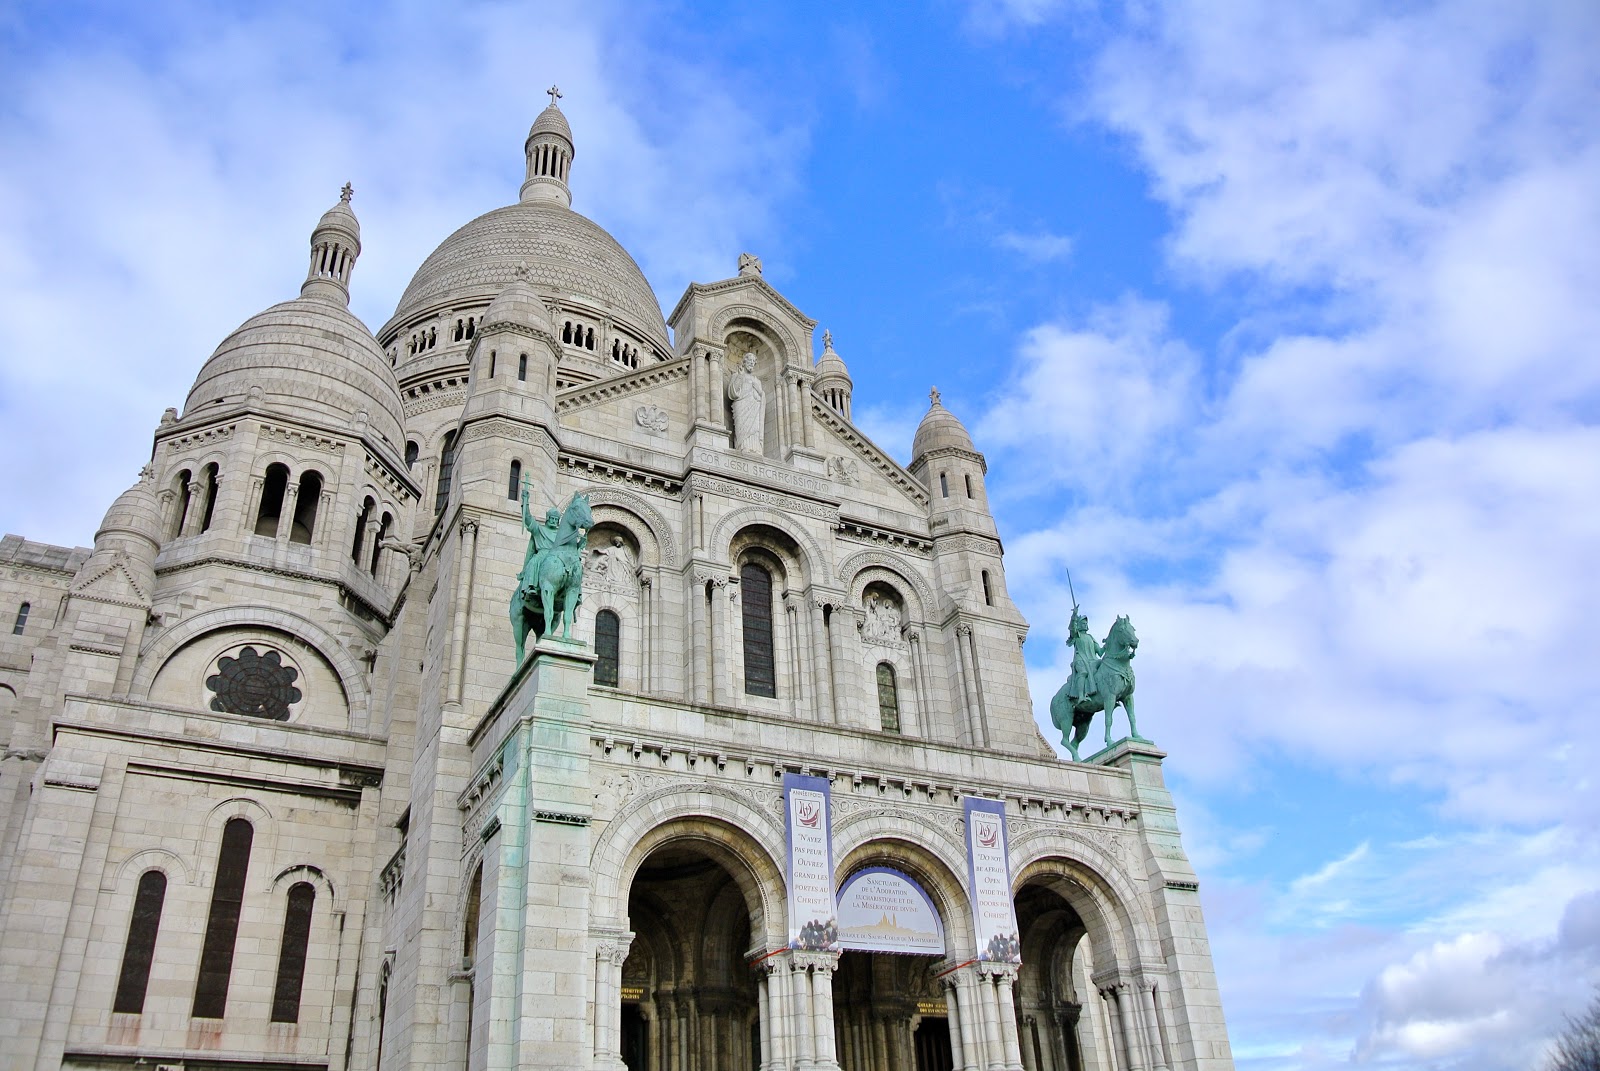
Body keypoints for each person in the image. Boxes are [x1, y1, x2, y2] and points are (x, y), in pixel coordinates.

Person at [727, 352, 765, 452]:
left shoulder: (757, 381)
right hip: (741, 407)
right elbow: (733, 393)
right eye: (750, 360)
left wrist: (760, 392)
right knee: (741, 430)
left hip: (754, 409)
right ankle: (742, 447)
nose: (752, 363)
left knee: (754, 430)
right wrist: (740, 376)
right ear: (744, 362)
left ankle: (755, 449)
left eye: (753, 361)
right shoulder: (737, 375)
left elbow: (761, 398)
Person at [1066, 606, 1102, 706]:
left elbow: (1100, 652)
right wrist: (1074, 615)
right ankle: (1081, 696)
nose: (1085, 625)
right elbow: (1072, 628)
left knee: (1104, 664)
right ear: (1079, 625)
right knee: (1083, 672)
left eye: (1086, 623)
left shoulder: (1090, 637)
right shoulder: (1077, 635)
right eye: (1083, 623)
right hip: (1080, 660)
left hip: (1093, 661)